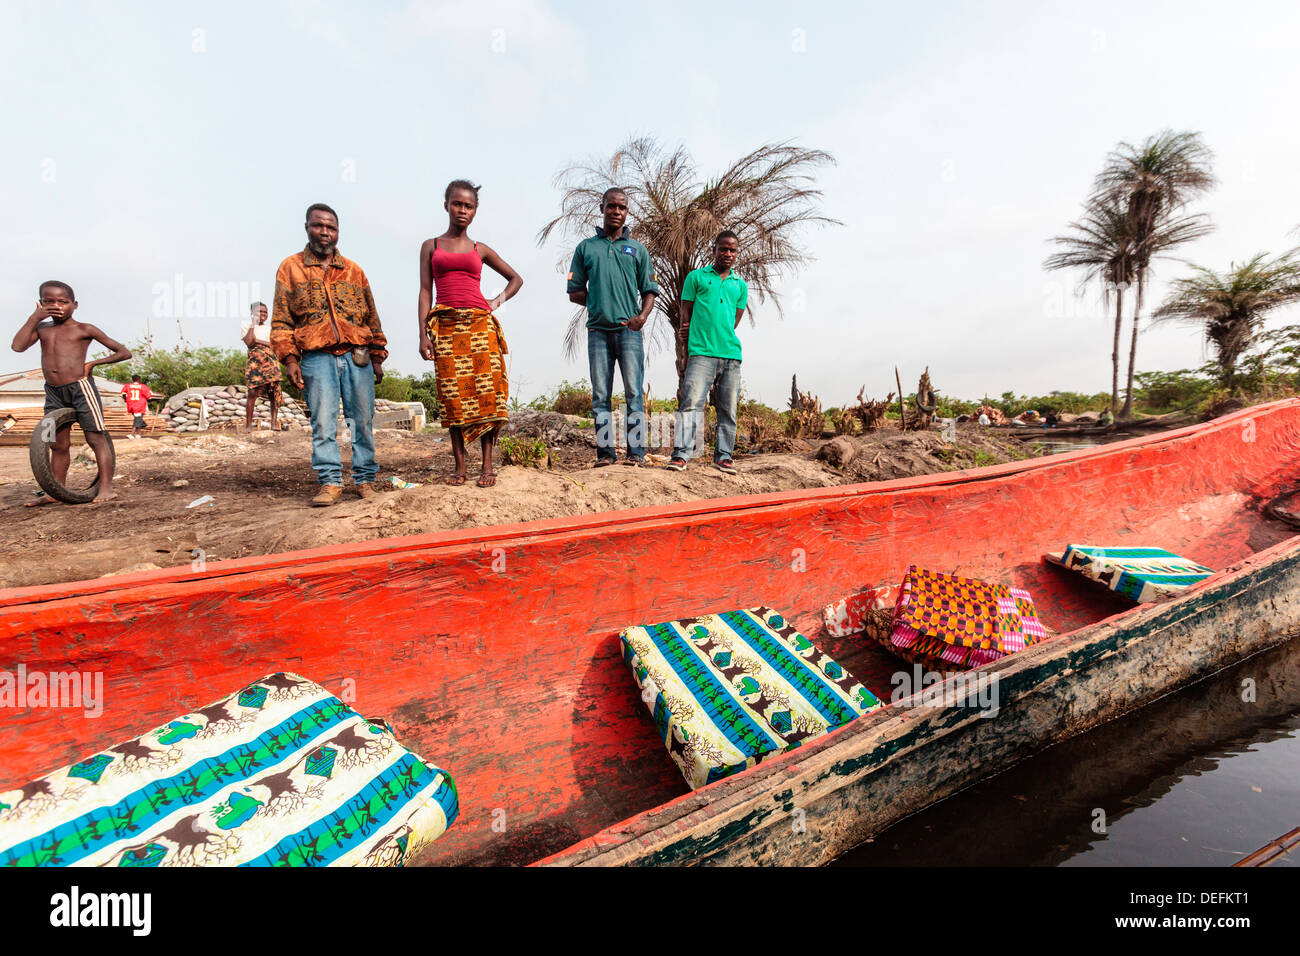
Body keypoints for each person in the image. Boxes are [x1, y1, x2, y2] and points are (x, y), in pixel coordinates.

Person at [271, 203, 387, 506]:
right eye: (318, 225)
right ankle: (330, 483)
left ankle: (365, 480)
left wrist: (377, 357)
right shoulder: (290, 268)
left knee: (362, 421)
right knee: (323, 423)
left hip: (357, 355)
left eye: (331, 227)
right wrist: (290, 359)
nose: (325, 232)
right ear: (307, 227)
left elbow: (372, 318)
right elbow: (282, 320)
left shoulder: (354, 270)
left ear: (338, 232)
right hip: (316, 357)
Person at [418, 180, 522, 488]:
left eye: (468, 206)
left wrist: (495, 301)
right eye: (457, 204)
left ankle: (487, 466)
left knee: (488, 396)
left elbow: (516, 279)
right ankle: (460, 466)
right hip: (446, 328)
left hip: (480, 326)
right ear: (446, 205)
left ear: (475, 211)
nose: (462, 210)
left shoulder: (481, 249)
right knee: (453, 397)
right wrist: (424, 333)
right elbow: (425, 290)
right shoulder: (431, 246)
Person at [10, 280, 131, 504]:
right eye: (49, 302)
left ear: (74, 305)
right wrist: (35, 317)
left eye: (63, 302)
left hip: (80, 388)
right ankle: (56, 491)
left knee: (95, 437)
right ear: (40, 304)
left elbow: (124, 352)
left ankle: (105, 488)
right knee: (56, 443)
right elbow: (17, 346)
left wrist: (93, 364)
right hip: (53, 391)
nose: (57, 306)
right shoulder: (42, 329)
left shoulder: (84, 329)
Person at [566, 187, 658, 466]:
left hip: (629, 332)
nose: (616, 212)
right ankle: (605, 455)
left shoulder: (638, 249)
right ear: (602, 208)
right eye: (611, 207)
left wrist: (641, 317)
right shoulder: (586, 248)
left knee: (633, 393)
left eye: (622, 208)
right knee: (601, 396)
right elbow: (574, 291)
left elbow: (650, 290)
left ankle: (636, 454)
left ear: (626, 212)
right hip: (597, 332)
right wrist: (599, 305)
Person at [666, 232, 748, 472]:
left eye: (733, 250)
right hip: (701, 354)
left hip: (731, 355)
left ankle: (723, 457)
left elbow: (735, 319)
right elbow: (685, 312)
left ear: (736, 253)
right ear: (715, 249)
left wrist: (720, 335)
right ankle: (681, 455)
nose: (728, 254)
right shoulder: (696, 277)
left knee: (728, 409)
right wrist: (687, 335)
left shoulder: (739, 285)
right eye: (723, 249)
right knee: (691, 404)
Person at [241, 301, 281, 431]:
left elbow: (274, 345)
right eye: (259, 312)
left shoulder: (271, 329)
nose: (263, 314)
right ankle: (248, 425)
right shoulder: (246, 326)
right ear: (253, 313)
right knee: (252, 392)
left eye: (265, 312)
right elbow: (249, 341)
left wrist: (257, 341)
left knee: (273, 391)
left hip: (270, 362)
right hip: (255, 363)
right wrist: (253, 324)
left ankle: (274, 423)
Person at [121, 374, 153, 439]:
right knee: (138, 419)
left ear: (132, 380)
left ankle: (138, 434)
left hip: (131, 405)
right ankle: (132, 434)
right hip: (140, 405)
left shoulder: (127, 386)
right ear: (139, 379)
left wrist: (126, 400)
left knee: (138, 419)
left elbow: (123, 394)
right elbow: (149, 396)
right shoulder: (143, 386)